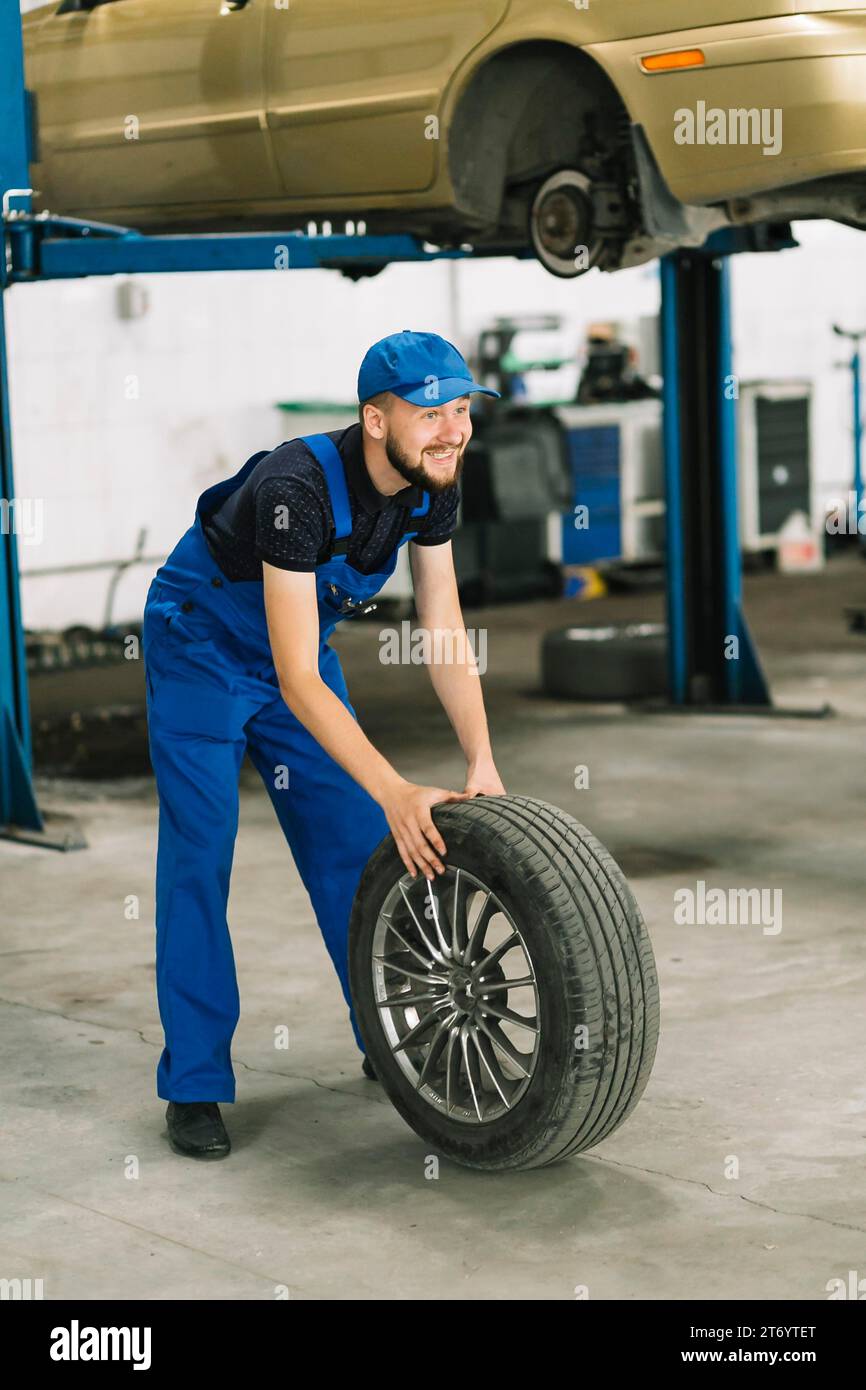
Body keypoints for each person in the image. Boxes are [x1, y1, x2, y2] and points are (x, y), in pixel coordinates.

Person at [142, 330, 507, 1159]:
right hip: (202, 643)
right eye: (429, 412)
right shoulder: (295, 488)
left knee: (355, 850)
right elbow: (299, 677)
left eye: (461, 409)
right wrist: (394, 784)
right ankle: (194, 1082)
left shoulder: (434, 482)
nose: (452, 430)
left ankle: (385, 1035)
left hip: (294, 652)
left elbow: (442, 629)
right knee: (201, 856)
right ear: (375, 420)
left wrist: (480, 757)